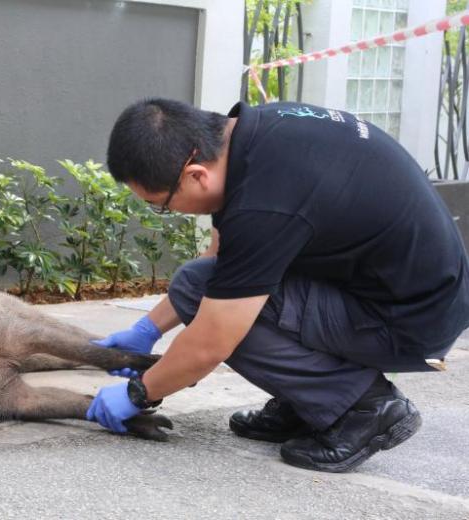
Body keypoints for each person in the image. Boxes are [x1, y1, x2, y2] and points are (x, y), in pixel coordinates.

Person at [86, 98, 469, 472]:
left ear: (196, 175)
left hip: (409, 322)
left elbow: (212, 340)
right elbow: (223, 262)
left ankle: (363, 407)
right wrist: (148, 329)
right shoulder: (255, 136)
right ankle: (308, 401)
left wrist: (139, 392)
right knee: (202, 285)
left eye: (162, 204)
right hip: (411, 291)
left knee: (205, 297)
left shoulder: (263, 202)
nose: (169, 212)